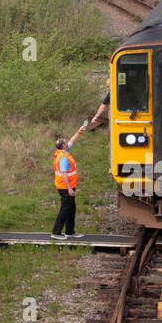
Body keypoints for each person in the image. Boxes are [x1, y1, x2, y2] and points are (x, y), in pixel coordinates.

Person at [50, 97, 111, 240]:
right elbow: (64, 174)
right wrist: (69, 189)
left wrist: (80, 130)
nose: (67, 142)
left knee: (71, 208)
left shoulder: (63, 152)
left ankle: (70, 231)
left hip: (68, 186)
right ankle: (56, 232)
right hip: (65, 186)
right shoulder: (63, 157)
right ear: (63, 146)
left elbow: (72, 140)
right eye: (65, 142)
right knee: (66, 208)